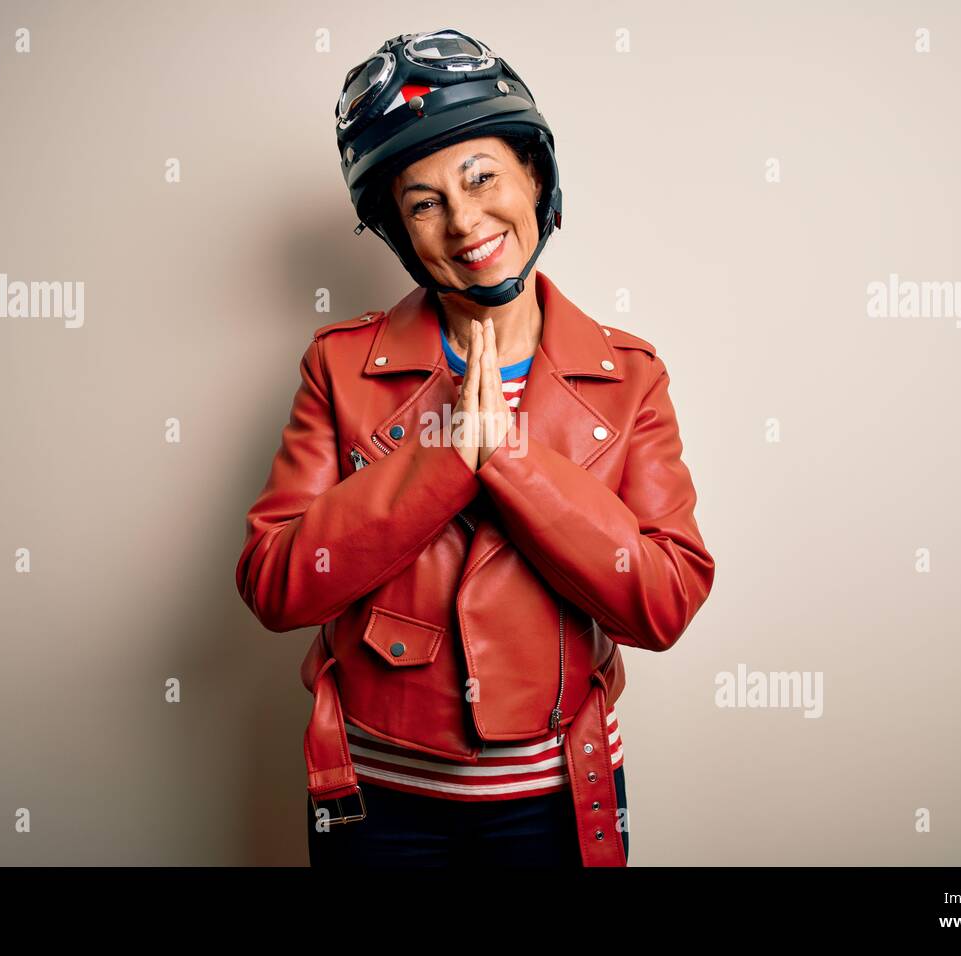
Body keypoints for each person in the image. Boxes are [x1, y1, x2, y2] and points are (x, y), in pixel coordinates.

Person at [236, 28, 715, 867]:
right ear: (399, 230)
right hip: (376, 801)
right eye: (424, 203)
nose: (463, 221)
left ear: (535, 175)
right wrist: (440, 464)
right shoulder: (338, 366)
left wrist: (512, 462)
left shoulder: (631, 375)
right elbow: (277, 587)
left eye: (482, 177)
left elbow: (664, 603)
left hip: (561, 799)